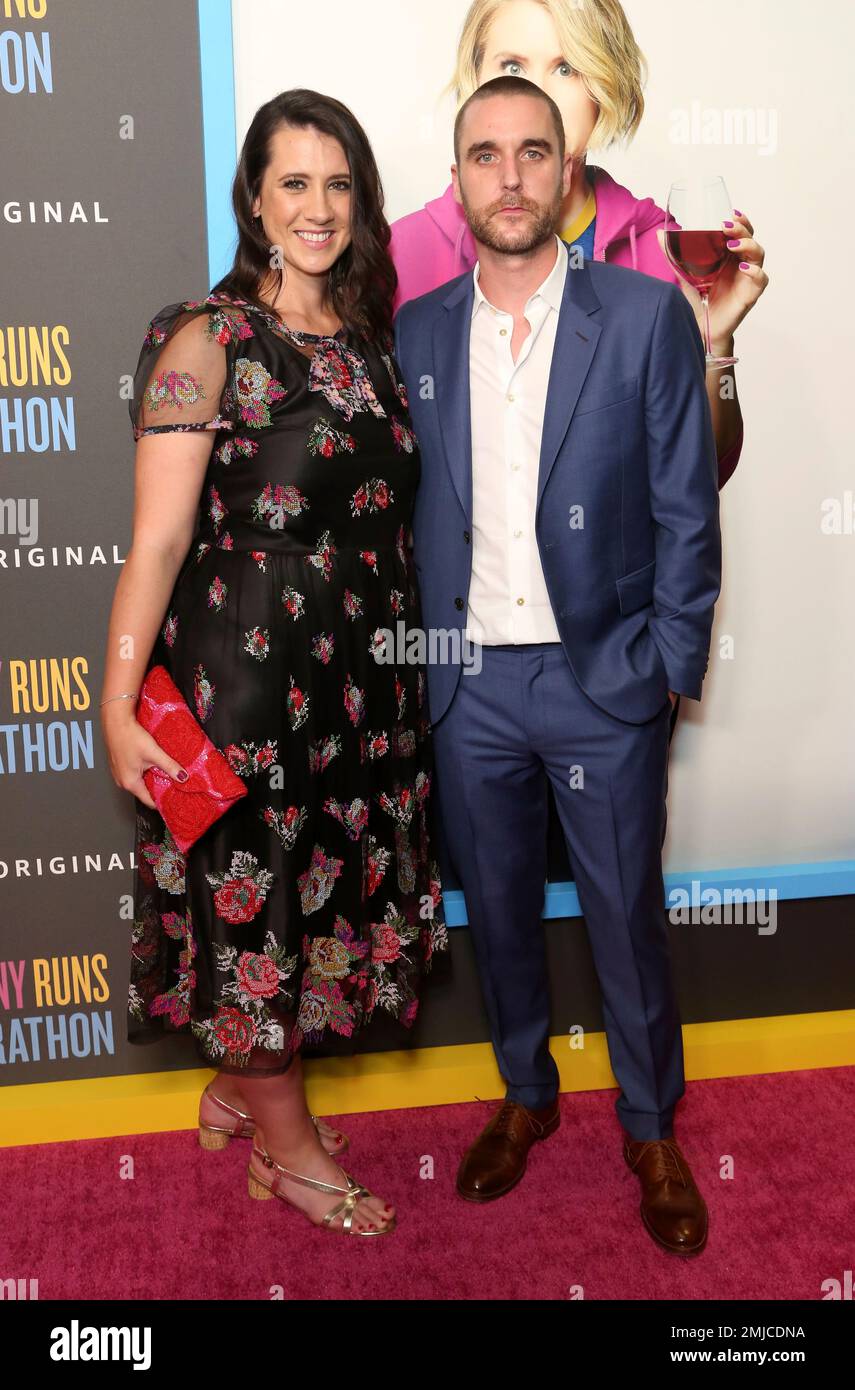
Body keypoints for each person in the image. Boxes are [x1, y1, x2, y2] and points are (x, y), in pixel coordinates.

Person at [100, 88, 448, 1238]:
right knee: (252, 920)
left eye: (338, 183)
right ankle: (287, 1151)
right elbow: (155, 538)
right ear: (253, 197)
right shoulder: (204, 335)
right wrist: (114, 699)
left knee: (311, 911)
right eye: (293, 182)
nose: (317, 206)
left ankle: (240, 1095)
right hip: (238, 693)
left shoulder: (367, 346)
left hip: (355, 694)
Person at [394, 75, 721, 1254]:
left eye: (535, 151)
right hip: (470, 686)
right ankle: (526, 1096)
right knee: (504, 916)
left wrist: (667, 664)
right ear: (460, 176)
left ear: (567, 170)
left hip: (604, 683)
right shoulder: (415, 331)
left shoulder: (642, 317)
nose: (513, 175)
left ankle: (650, 1124)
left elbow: (688, 511)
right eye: (487, 155)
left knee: (627, 916)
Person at [391, 0, 769, 497]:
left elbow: (701, 474)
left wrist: (715, 346)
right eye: (511, 66)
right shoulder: (402, 252)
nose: (536, 92)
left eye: (566, 68)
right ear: (474, 80)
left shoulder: (662, 253)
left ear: (602, 86)